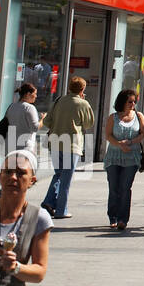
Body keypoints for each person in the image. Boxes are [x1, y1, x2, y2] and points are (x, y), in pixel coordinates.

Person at [0, 149, 51, 286]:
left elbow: (39, 272)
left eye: (21, 173)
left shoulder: (38, 218)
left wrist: (16, 267)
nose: (13, 178)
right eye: (8, 172)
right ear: (0, 176)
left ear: (32, 180)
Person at [39, 76, 95, 219]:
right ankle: (61, 210)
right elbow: (88, 124)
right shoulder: (83, 104)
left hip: (56, 143)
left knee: (58, 174)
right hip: (72, 145)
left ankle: (48, 202)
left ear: (70, 87)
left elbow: (47, 121)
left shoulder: (59, 101)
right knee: (66, 180)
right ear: (82, 89)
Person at [102, 90, 144, 231]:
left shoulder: (138, 116)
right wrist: (119, 144)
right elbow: (108, 135)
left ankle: (123, 219)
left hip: (131, 157)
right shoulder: (113, 117)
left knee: (125, 188)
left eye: (134, 101)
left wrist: (131, 142)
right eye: (130, 101)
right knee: (114, 188)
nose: (133, 104)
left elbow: (143, 134)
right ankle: (112, 217)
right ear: (122, 102)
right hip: (114, 156)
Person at [4, 83, 39, 154]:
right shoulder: (29, 108)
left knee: (11, 165)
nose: (36, 96)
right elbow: (35, 128)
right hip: (24, 148)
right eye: (35, 93)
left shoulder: (12, 106)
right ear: (28, 94)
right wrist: (43, 120)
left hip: (10, 147)